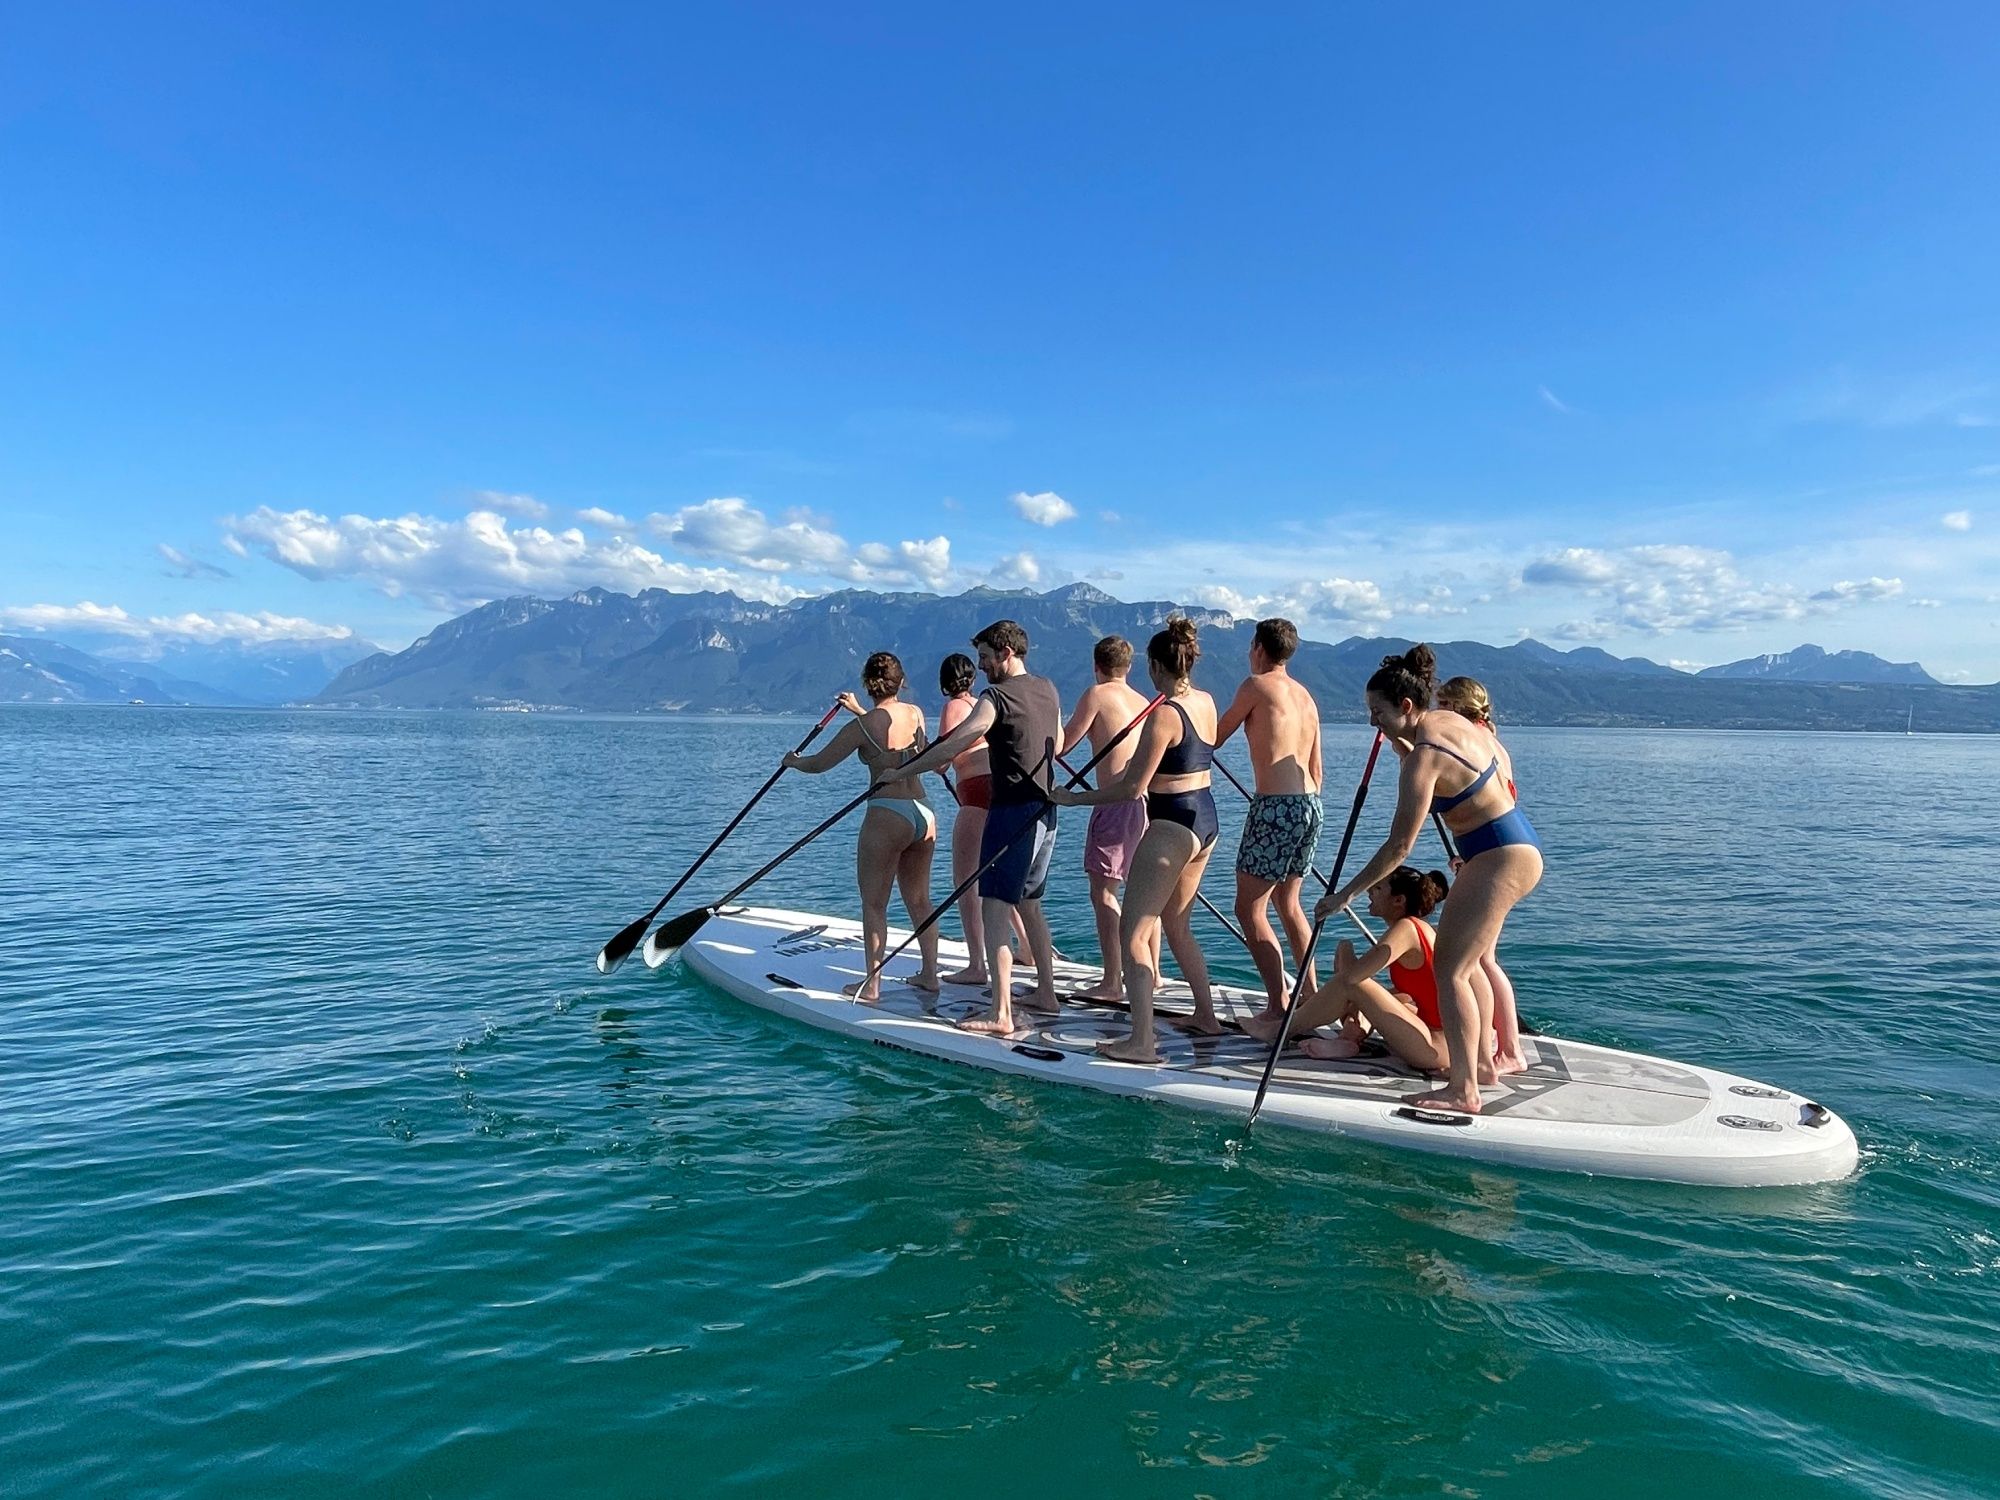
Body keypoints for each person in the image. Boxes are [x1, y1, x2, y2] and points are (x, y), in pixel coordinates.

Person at [1314, 645, 1542, 1113]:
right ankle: (1481, 1067)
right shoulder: (1455, 725)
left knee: (1451, 969)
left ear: (1406, 707)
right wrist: (1402, 744)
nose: (1371, 722)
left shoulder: (1425, 756)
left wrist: (1345, 895)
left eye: (1377, 712)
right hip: (1511, 847)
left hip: (1497, 857)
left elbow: (1400, 846)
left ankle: (1464, 1090)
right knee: (1470, 963)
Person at [1052, 617, 1221, 1061]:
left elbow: (1132, 788)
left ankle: (1141, 1041)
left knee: (1134, 931)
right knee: (1178, 925)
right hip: (1206, 820)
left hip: (1171, 825)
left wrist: (1074, 799)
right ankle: (1205, 1015)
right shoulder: (1205, 701)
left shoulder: (1164, 714)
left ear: (1153, 664)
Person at [886, 620, 1062, 1035]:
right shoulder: (1049, 689)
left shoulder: (995, 695)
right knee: (1031, 904)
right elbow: (1058, 740)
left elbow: (959, 740)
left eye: (985, 656)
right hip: (1047, 811)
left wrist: (903, 772)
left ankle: (1001, 1013)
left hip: (1011, 812)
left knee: (995, 908)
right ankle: (1047, 994)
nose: (980, 666)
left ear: (1006, 652)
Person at [781, 651, 941, 1001]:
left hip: (888, 813)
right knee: (919, 900)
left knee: (874, 904)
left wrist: (793, 762)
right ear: (902, 682)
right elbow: (905, 743)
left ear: (869, 684)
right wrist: (861, 711)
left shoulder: (861, 727)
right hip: (924, 812)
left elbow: (821, 763)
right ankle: (930, 974)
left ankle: (872, 986)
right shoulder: (916, 714)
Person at [1214, 617, 1323, 1025]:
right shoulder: (1306, 697)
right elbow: (1317, 766)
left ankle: (1278, 1006)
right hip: (1310, 805)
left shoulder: (1255, 687)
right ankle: (1310, 997)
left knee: (1249, 910)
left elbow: (1216, 736)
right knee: (1288, 903)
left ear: (1259, 648)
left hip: (1275, 807)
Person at [1261, 866, 1463, 1073]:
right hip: (1429, 1033)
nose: (1369, 892)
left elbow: (1352, 979)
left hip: (1434, 1047)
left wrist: (1324, 1002)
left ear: (1398, 900)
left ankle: (1280, 1030)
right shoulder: (1419, 928)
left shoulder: (1407, 929)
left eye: (1378, 888)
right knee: (1346, 951)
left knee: (1352, 981)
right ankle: (1350, 1037)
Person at [1435, 675, 1527, 1074]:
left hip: (1490, 855)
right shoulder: (1493, 742)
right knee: (1486, 958)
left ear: (1455, 707)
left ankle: (1499, 1053)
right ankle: (1505, 1047)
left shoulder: (1465, 740)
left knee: (1474, 963)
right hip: (1500, 848)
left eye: (1442, 704)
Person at [1058, 636, 1152, 1002]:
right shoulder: (1144, 701)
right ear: (1129, 667)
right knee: (1146, 893)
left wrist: (1051, 720)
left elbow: (1064, 745)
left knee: (1103, 891)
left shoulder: (1097, 695)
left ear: (1096, 666)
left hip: (1113, 803)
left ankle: (1113, 979)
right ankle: (1152, 973)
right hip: (1146, 803)